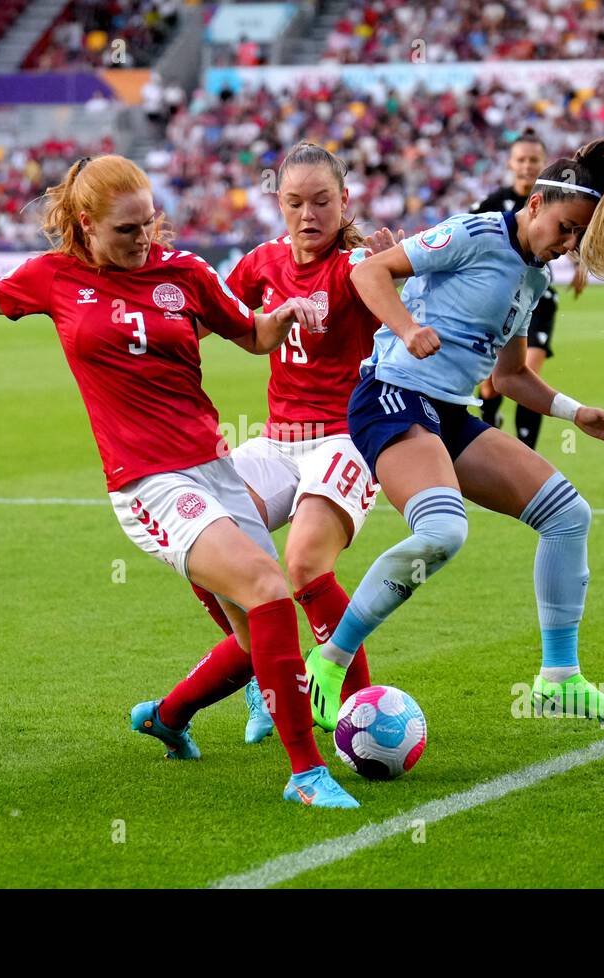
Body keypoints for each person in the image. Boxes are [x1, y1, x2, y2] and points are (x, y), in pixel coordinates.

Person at [0, 154, 360, 808]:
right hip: (145, 482)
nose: (143, 238)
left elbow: (252, 335)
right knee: (268, 590)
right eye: (126, 230)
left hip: (215, 469)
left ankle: (168, 718)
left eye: (149, 223)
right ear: (86, 224)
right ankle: (307, 775)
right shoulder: (53, 277)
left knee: (250, 635)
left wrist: (284, 318)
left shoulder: (187, 272)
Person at [302, 138, 604, 731]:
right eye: (566, 228)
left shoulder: (532, 275)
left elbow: (511, 375)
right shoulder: (475, 234)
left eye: (577, 237)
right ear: (538, 201)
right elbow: (370, 272)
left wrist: (577, 413)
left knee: (569, 516)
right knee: (443, 532)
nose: (567, 244)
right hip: (391, 397)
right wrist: (408, 327)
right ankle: (330, 657)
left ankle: (559, 680)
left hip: (448, 412)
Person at [194, 141, 395, 743]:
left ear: (345, 201)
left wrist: (397, 280)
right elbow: (211, 319)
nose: (309, 215)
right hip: (277, 443)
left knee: (304, 567)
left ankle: (356, 711)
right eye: (295, 202)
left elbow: (409, 332)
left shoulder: (362, 265)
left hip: (344, 438)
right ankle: (262, 676)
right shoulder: (262, 262)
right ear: (278, 203)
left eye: (322, 202)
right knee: (200, 539)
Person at [470, 130, 585, 450]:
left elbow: (575, 234)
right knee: (491, 387)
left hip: (538, 302)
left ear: (543, 163)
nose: (527, 165)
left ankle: (526, 452)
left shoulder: (556, 203)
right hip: (497, 303)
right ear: (510, 162)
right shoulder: (491, 204)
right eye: (521, 159)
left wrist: (581, 265)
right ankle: (485, 442)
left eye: (534, 160)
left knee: (525, 377)